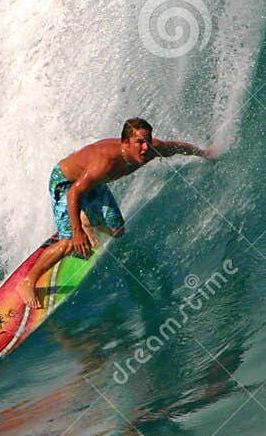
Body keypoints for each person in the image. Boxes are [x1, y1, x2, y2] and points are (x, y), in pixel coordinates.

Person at [23, 118, 217, 308]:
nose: (145, 147)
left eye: (148, 141)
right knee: (68, 243)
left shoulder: (151, 149)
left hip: (93, 184)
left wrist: (203, 153)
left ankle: (87, 220)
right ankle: (29, 281)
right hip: (67, 183)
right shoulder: (105, 163)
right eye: (139, 142)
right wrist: (76, 232)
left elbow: (176, 147)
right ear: (125, 142)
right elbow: (73, 193)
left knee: (117, 230)